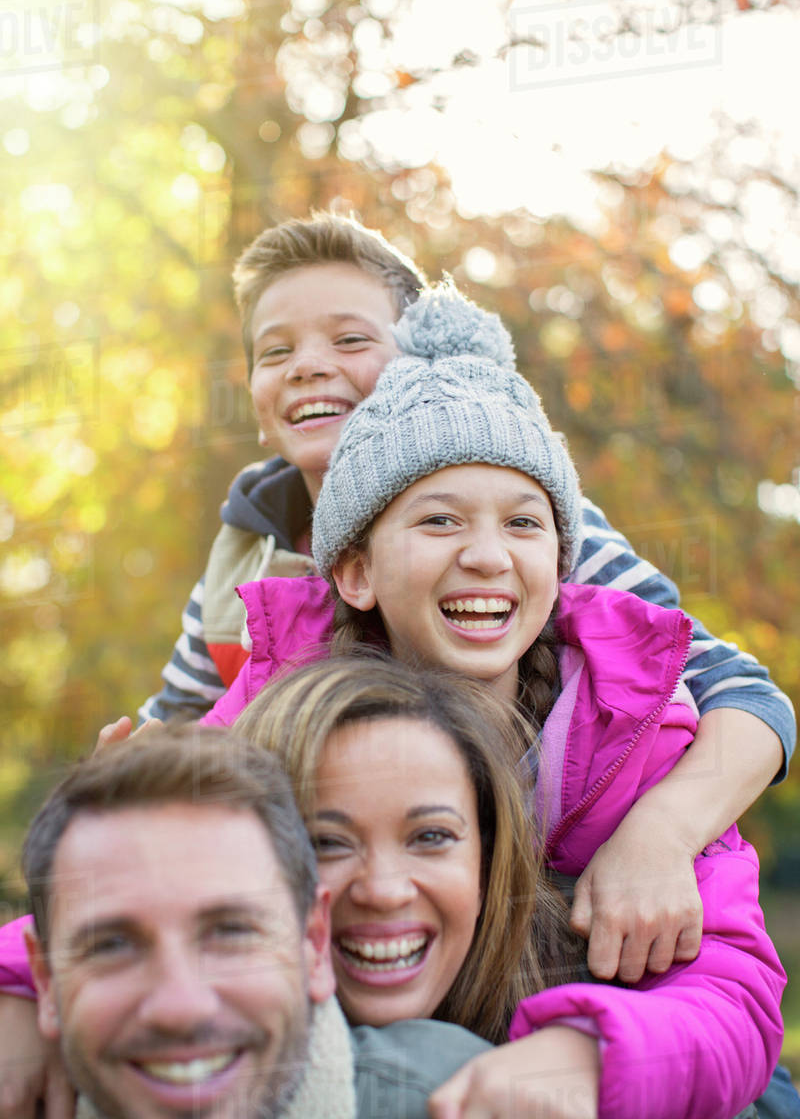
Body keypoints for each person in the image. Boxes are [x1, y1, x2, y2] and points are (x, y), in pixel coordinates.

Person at [132, 212, 793, 990]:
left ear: (420, 356)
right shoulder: (239, 567)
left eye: (349, 340)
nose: (309, 365)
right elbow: (175, 739)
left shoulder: (525, 541)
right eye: (276, 350)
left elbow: (745, 697)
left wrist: (659, 834)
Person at [14, 726, 492, 1119]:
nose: (182, 1007)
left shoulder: (463, 1100)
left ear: (314, 943)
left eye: (231, 932)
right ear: (45, 979)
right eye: (112, 945)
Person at [233, 655, 585, 1043]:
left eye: (431, 837)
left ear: (488, 860)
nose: (385, 892)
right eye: (326, 844)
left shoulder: (603, 999)